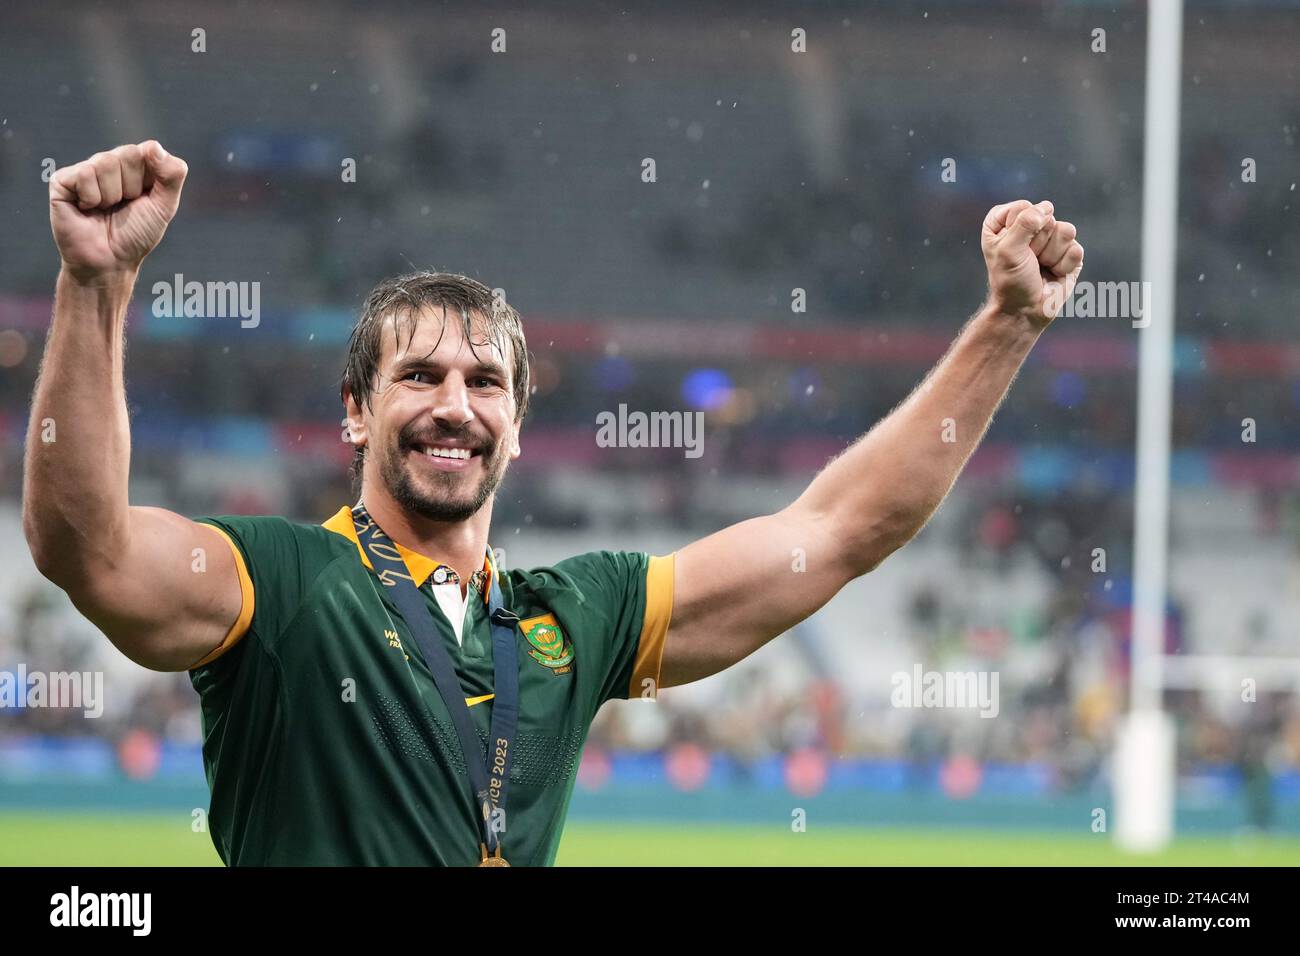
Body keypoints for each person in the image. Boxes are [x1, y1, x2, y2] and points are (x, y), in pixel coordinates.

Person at [23, 140, 1084, 865]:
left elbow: (838, 531)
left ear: (520, 421)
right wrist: (96, 287)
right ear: (354, 411)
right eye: (419, 377)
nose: (455, 406)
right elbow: (90, 551)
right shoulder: (280, 581)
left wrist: (1005, 327)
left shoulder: (571, 617)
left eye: (485, 383)